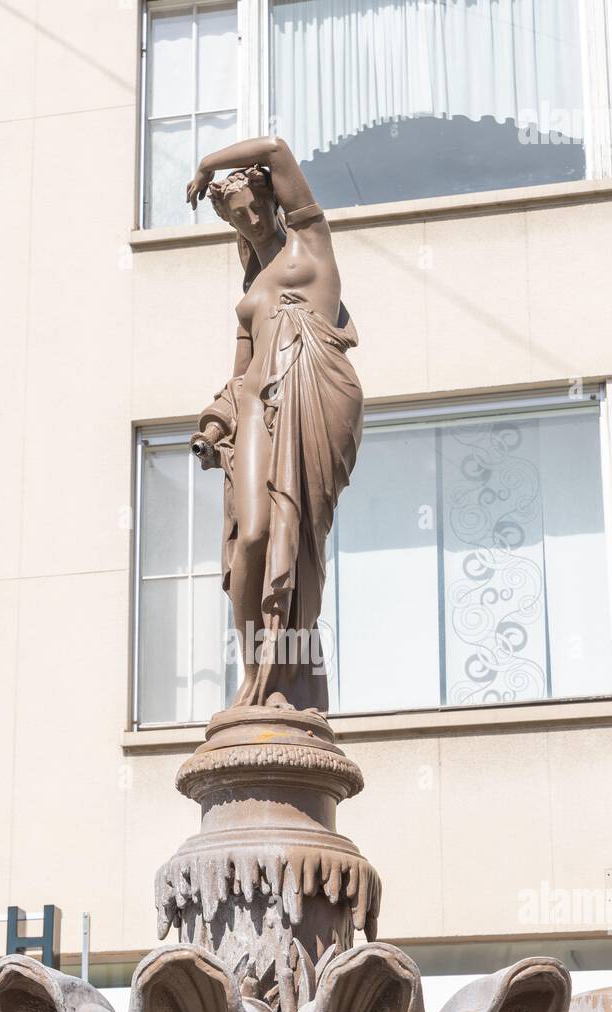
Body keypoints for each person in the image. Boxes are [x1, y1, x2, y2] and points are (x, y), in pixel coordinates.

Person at [186, 137, 363, 711]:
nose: (252, 218)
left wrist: (209, 165)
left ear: (271, 198)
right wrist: (215, 426)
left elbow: (278, 149)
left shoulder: (311, 247)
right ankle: (256, 675)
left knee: (297, 538)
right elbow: (237, 378)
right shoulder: (251, 293)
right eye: (236, 216)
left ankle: (287, 681)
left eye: (256, 204)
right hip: (257, 409)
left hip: (314, 397)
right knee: (252, 537)